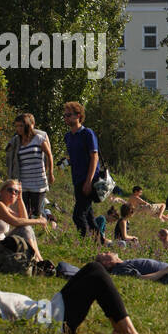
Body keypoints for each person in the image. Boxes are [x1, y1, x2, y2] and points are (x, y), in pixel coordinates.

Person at [0, 254, 154, 334]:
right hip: (50, 320)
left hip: (46, 308)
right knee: (95, 271)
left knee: (92, 271)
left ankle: (120, 329)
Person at [62, 101, 103, 242]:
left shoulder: (87, 133)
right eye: (65, 115)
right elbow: (76, 157)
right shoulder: (68, 136)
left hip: (88, 180)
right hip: (77, 179)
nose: (66, 118)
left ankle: (84, 243)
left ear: (78, 116)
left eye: (68, 115)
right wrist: (66, 161)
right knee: (88, 215)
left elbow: (94, 157)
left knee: (78, 215)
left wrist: (89, 181)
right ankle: (99, 242)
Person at [0, 179, 47, 262]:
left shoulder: (6, 207)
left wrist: (20, 199)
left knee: (26, 228)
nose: (13, 193)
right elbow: (15, 222)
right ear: (2, 192)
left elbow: (24, 219)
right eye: (10, 190)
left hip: (0, 245)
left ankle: (39, 260)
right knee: (25, 229)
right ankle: (37, 261)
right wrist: (39, 221)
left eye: (16, 192)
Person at [5, 114, 53, 218]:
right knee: (24, 212)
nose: (18, 129)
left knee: (36, 212)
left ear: (27, 126)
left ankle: (40, 229)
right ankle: (26, 233)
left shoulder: (38, 138)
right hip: (24, 182)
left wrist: (50, 174)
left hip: (38, 182)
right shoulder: (17, 141)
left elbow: (49, 155)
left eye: (21, 126)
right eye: (16, 126)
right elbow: (10, 156)